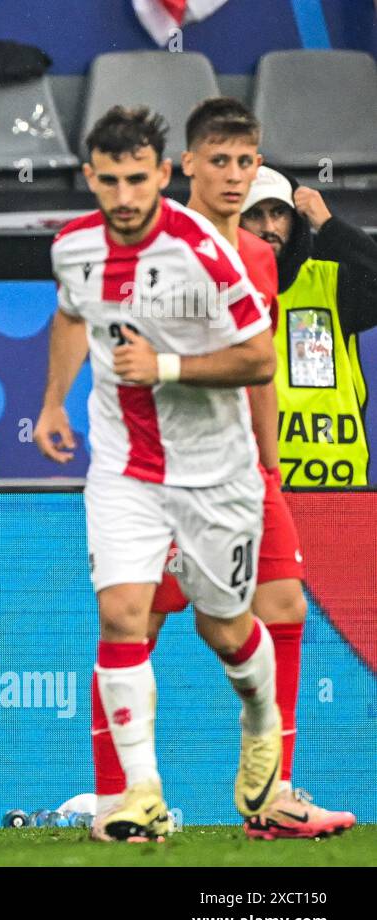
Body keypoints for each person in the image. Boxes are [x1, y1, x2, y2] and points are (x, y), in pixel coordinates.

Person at [87, 98, 354, 840]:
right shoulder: (151, 246)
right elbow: (131, 363)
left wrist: (270, 468)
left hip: (242, 470)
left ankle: (272, 798)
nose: (236, 178)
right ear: (187, 169)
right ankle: (118, 800)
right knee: (135, 620)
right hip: (162, 470)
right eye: (223, 162)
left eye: (247, 162)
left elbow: (259, 371)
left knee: (284, 610)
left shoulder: (263, 258)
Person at [33, 106, 280, 842]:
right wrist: (52, 402)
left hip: (214, 471)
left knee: (224, 626)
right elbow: (73, 315)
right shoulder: (73, 247)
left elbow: (260, 359)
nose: (124, 196)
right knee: (121, 615)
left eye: (138, 179)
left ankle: (261, 719)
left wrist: (166, 365)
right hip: (124, 466)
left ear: (163, 175)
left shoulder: (205, 250)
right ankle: (140, 795)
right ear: (90, 178)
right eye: (108, 181)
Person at [241, 166, 377, 487]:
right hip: (251, 489)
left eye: (279, 213)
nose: (269, 226)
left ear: (296, 219)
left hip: (334, 490)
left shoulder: (331, 282)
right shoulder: (219, 289)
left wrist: (329, 226)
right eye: (255, 215)